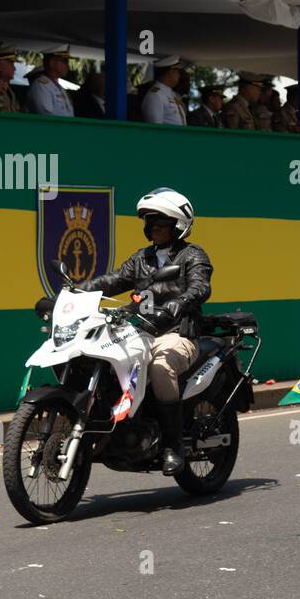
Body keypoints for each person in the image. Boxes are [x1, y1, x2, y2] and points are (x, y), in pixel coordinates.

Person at [82, 190, 212, 476]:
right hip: (139, 331)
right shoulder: (142, 258)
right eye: (151, 224)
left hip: (178, 334)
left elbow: (200, 287)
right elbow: (114, 279)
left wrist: (181, 302)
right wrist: (78, 290)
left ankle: (172, 446)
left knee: (160, 366)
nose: (155, 229)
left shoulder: (193, 255)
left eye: (161, 224)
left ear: (179, 226)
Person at [26, 46, 75, 117]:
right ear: (51, 63)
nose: (67, 66)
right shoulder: (41, 85)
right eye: (64, 62)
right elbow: (46, 116)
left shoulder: (58, 87)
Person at [141, 56, 187, 125]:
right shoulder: (155, 95)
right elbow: (155, 128)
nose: (179, 76)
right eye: (177, 72)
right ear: (170, 73)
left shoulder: (172, 94)